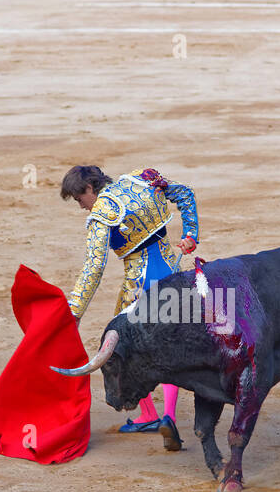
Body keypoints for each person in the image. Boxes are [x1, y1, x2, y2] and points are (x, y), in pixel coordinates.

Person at [61, 164, 199, 451]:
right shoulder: (140, 180)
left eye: (79, 199)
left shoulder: (102, 214)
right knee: (171, 345)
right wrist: (191, 234)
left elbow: (94, 267)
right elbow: (185, 194)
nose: (82, 207)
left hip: (139, 286)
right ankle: (169, 417)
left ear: (89, 188)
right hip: (172, 276)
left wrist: (75, 310)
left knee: (125, 346)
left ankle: (149, 414)